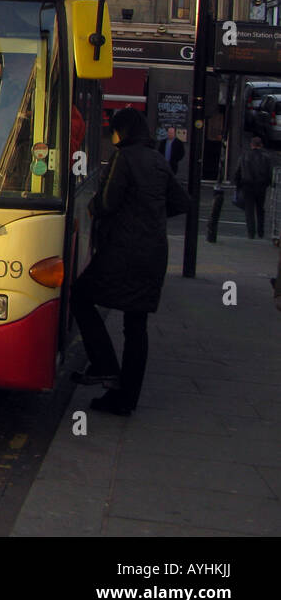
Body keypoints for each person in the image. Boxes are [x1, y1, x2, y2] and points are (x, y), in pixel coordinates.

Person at [71, 107, 190, 416]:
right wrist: (149, 216)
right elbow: (181, 202)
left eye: (113, 130)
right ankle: (126, 399)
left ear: (121, 132)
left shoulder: (123, 158)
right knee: (136, 325)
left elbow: (107, 203)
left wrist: (99, 206)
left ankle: (104, 365)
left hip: (123, 252)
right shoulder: (158, 160)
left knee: (80, 296)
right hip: (153, 254)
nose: (111, 135)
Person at [233, 134, 272, 239]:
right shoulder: (266, 157)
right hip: (261, 186)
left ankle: (251, 233)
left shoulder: (244, 156)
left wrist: (237, 184)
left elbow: (238, 171)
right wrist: (267, 183)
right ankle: (261, 232)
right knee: (260, 209)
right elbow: (269, 174)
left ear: (251, 145)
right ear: (261, 145)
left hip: (247, 186)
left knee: (249, 210)